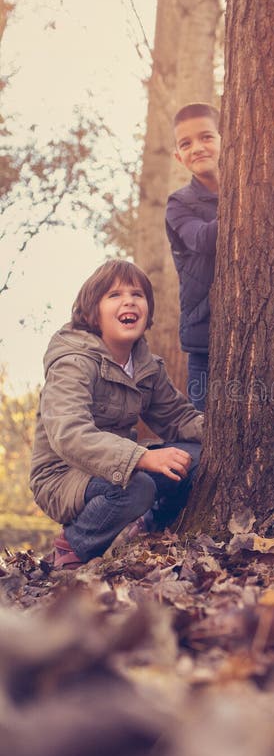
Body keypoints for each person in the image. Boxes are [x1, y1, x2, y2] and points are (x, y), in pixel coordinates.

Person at [29, 259, 205, 570]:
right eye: (114, 295)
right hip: (63, 475)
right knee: (138, 488)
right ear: (91, 313)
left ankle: (152, 524)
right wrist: (139, 458)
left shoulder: (146, 365)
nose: (129, 301)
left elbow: (177, 417)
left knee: (197, 458)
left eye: (137, 295)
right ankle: (74, 544)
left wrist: (230, 437)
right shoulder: (73, 362)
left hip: (118, 467)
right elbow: (69, 434)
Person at [165, 102, 221, 411]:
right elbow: (202, 239)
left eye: (206, 137)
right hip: (204, 342)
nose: (197, 148)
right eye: (186, 144)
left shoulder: (253, 184)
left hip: (255, 331)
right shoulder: (179, 203)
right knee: (206, 428)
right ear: (178, 157)